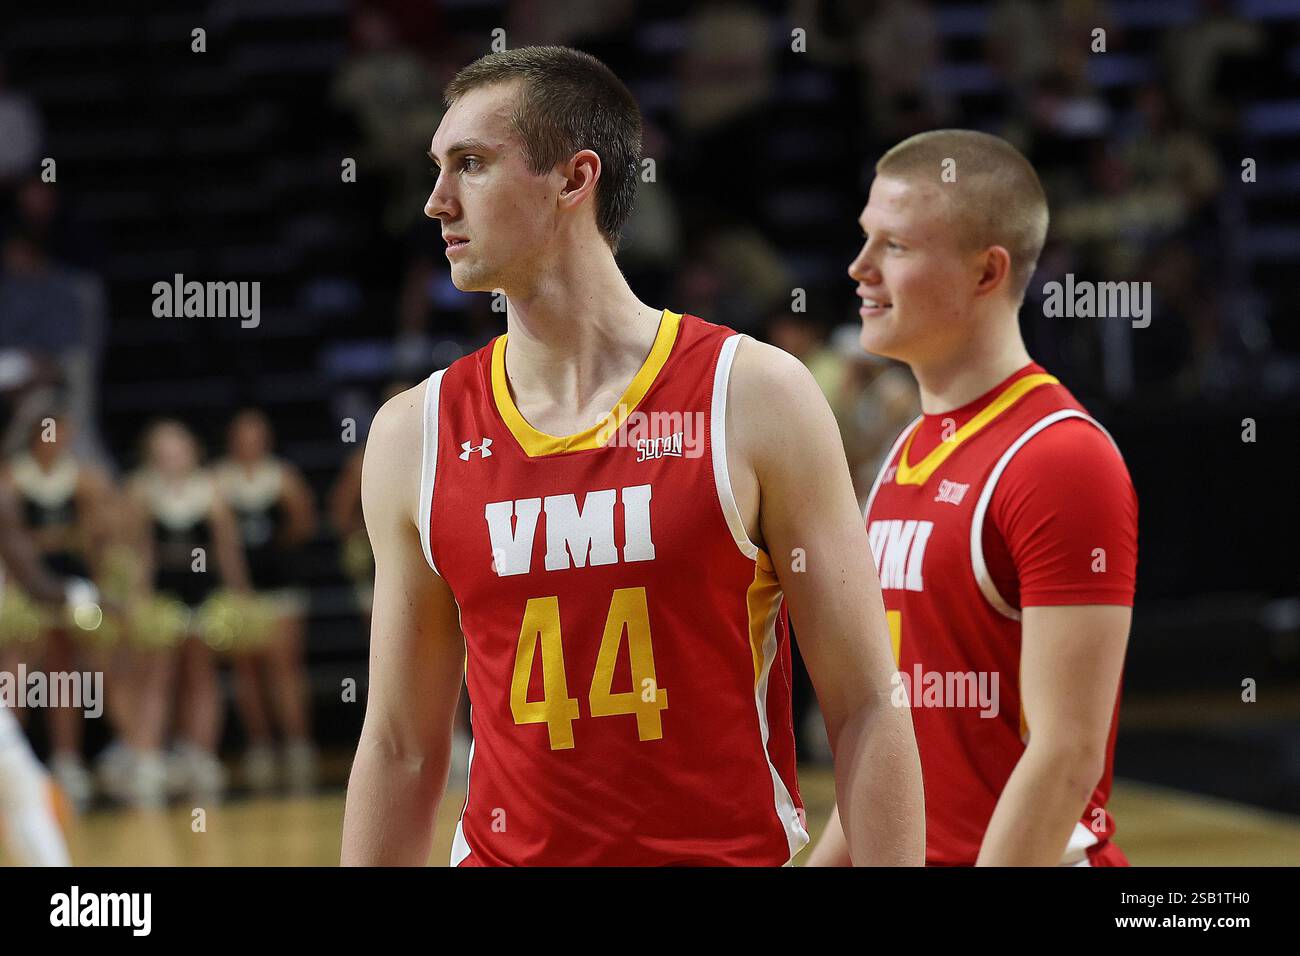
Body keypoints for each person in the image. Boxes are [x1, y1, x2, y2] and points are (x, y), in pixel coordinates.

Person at [342, 46, 923, 866]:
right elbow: (402, 745)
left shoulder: (752, 394)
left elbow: (868, 704)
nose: (437, 202)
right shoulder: (415, 433)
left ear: (574, 179)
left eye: (470, 165)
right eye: (438, 168)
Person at [808, 129, 1137, 867]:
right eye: (865, 240)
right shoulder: (904, 450)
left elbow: (1066, 754)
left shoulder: (1060, 456)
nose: (859, 269)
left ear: (987, 273)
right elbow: (890, 733)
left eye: (893, 246)